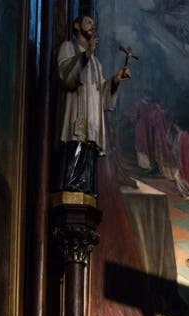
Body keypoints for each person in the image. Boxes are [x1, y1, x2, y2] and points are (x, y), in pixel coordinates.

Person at [57, 15, 131, 196]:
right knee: (76, 146)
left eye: (93, 23)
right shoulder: (69, 47)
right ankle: (72, 187)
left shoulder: (97, 63)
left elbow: (102, 94)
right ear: (76, 25)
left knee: (88, 158)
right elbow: (66, 77)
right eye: (88, 22)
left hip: (92, 122)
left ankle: (86, 189)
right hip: (77, 116)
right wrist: (86, 54)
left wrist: (115, 80)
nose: (92, 26)